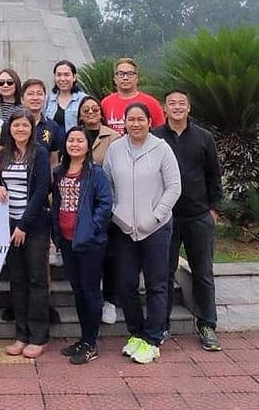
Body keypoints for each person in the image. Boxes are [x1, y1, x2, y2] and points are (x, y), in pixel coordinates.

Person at [103, 102, 181, 364]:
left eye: (140, 119)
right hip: (123, 228)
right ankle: (136, 333)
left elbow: (173, 187)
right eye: (130, 120)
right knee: (125, 284)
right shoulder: (115, 149)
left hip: (156, 229)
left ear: (150, 121)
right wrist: (116, 214)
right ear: (124, 123)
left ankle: (154, 338)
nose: (135, 124)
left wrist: (156, 216)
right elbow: (108, 186)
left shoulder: (162, 149)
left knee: (157, 284)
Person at [153, 90, 223, 351]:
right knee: (164, 272)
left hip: (198, 216)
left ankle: (207, 325)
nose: (177, 107)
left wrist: (213, 209)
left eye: (182, 103)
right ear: (165, 108)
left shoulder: (203, 137)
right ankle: (162, 324)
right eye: (172, 103)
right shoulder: (156, 137)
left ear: (189, 108)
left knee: (203, 272)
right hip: (166, 218)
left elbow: (214, 175)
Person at [52, 126, 112, 364]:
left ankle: (91, 341)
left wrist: (92, 228)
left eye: (80, 140)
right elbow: (56, 203)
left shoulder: (95, 173)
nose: (74, 144)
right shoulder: (59, 172)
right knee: (77, 290)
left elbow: (105, 204)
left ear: (88, 146)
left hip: (89, 242)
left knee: (90, 291)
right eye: (71, 140)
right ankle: (83, 338)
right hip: (67, 241)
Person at [0, 108, 51, 359]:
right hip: (9, 226)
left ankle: (39, 336)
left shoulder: (40, 154)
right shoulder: (3, 155)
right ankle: (21, 334)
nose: (20, 130)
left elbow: (41, 192)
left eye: (25, 126)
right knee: (17, 281)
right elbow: (0, 182)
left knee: (37, 280)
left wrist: (23, 226)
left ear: (32, 129)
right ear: (10, 128)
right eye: (16, 125)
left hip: (34, 226)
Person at [77, 94, 121, 324]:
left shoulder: (113, 137)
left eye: (95, 109)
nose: (91, 112)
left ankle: (110, 300)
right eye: (86, 109)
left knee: (109, 255)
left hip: (107, 203)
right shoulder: (75, 136)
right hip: (81, 206)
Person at [101, 58, 165, 136]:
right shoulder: (105, 103)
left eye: (130, 74)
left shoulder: (151, 103)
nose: (125, 78)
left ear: (136, 78)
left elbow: (161, 132)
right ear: (115, 78)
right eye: (121, 74)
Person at [44, 60, 87, 137]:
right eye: (59, 75)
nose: (62, 79)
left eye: (66, 75)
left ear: (74, 77)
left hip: (74, 145)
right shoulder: (47, 100)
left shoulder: (84, 99)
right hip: (52, 147)